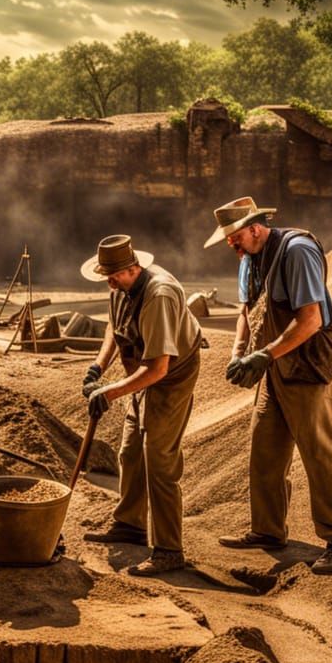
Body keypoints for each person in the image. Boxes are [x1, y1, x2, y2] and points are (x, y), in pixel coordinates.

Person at [205, 196, 332, 574]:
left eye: (235, 236)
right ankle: (269, 531)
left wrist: (264, 356)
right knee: (265, 452)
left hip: (308, 369)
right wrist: (239, 352)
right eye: (227, 239)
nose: (231, 244)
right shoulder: (249, 260)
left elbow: (310, 320)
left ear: (256, 228)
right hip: (275, 370)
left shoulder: (298, 252)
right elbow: (247, 311)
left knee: (321, 456)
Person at [80, 234, 203, 576]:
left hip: (170, 376)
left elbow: (159, 368)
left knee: (158, 459)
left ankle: (168, 549)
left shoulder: (159, 295)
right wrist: (97, 367)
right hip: (142, 369)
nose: (109, 281)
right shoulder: (120, 287)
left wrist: (108, 393)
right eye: (106, 274)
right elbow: (114, 326)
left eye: (114, 274)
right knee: (129, 451)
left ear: (134, 268)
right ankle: (131, 525)